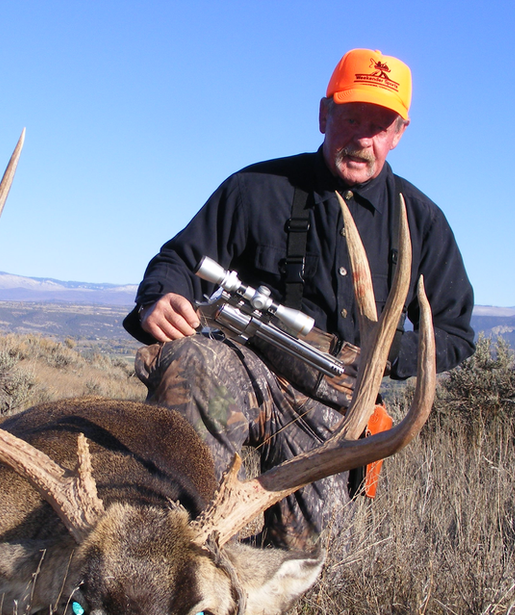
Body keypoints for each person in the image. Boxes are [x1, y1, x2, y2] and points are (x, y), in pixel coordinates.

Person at [123, 49, 474, 552]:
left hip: (338, 400)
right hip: (248, 365)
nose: (362, 137)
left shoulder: (421, 222)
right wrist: (163, 297)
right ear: (324, 115)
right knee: (196, 364)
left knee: (301, 558)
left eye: (380, 125)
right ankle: (153, 549)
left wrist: (388, 353)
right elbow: (177, 260)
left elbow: (456, 333)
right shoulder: (255, 189)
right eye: (351, 117)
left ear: (399, 133)